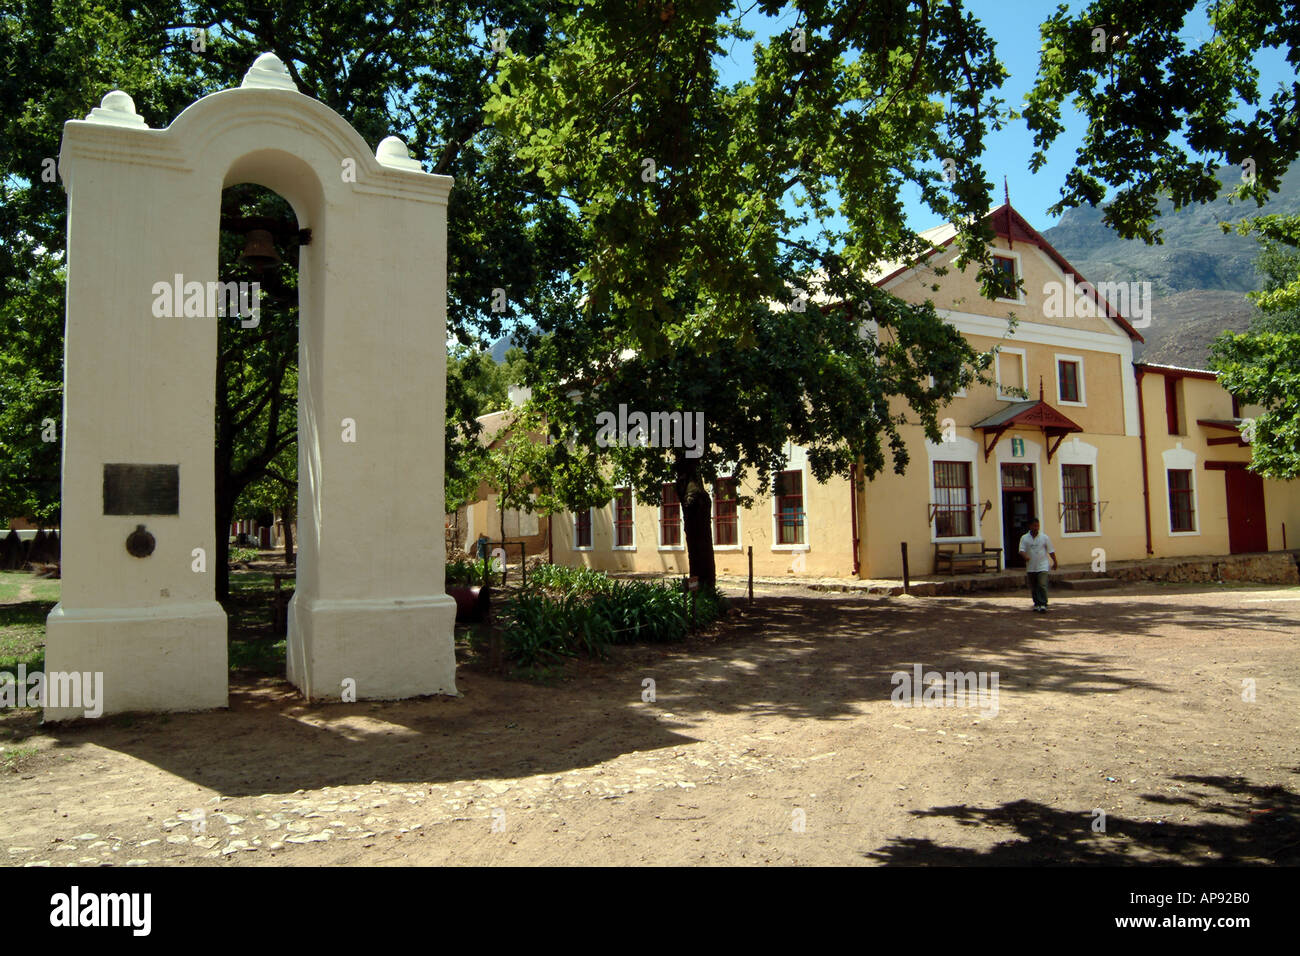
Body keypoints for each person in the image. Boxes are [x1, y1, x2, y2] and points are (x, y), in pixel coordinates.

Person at [1017, 517, 1057, 612]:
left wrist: (1055, 561)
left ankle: (1043, 603)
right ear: (1030, 526)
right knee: (1034, 586)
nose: (1036, 528)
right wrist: (1025, 556)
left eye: (1037, 526)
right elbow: (1021, 550)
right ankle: (1036, 603)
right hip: (1031, 566)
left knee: (1042, 584)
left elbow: (1050, 550)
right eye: (1034, 526)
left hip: (1042, 565)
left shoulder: (1044, 537)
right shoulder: (1024, 538)